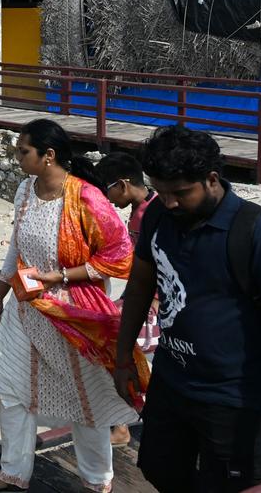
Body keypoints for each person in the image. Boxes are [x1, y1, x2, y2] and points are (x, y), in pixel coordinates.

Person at [0, 119, 147, 492]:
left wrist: (61, 277)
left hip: (74, 313)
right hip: (26, 309)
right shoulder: (24, 191)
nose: (18, 158)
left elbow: (120, 255)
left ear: (48, 155)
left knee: (86, 396)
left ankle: (97, 480)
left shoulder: (85, 197)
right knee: (12, 386)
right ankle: (13, 472)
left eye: (24, 152)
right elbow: (15, 248)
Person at [114, 125, 261, 491]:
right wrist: (123, 356)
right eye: (161, 191)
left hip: (235, 399)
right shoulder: (160, 214)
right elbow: (141, 283)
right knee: (157, 467)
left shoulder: (259, 234)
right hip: (171, 384)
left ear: (211, 179)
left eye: (180, 193)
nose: (170, 201)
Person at [95, 151, 159, 446]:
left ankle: (122, 425)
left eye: (108, 191)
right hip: (141, 295)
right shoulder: (146, 208)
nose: (108, 201)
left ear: (122, 184)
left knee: (117, 351)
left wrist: (154, 299)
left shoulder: (148, 214)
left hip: (151, 300)